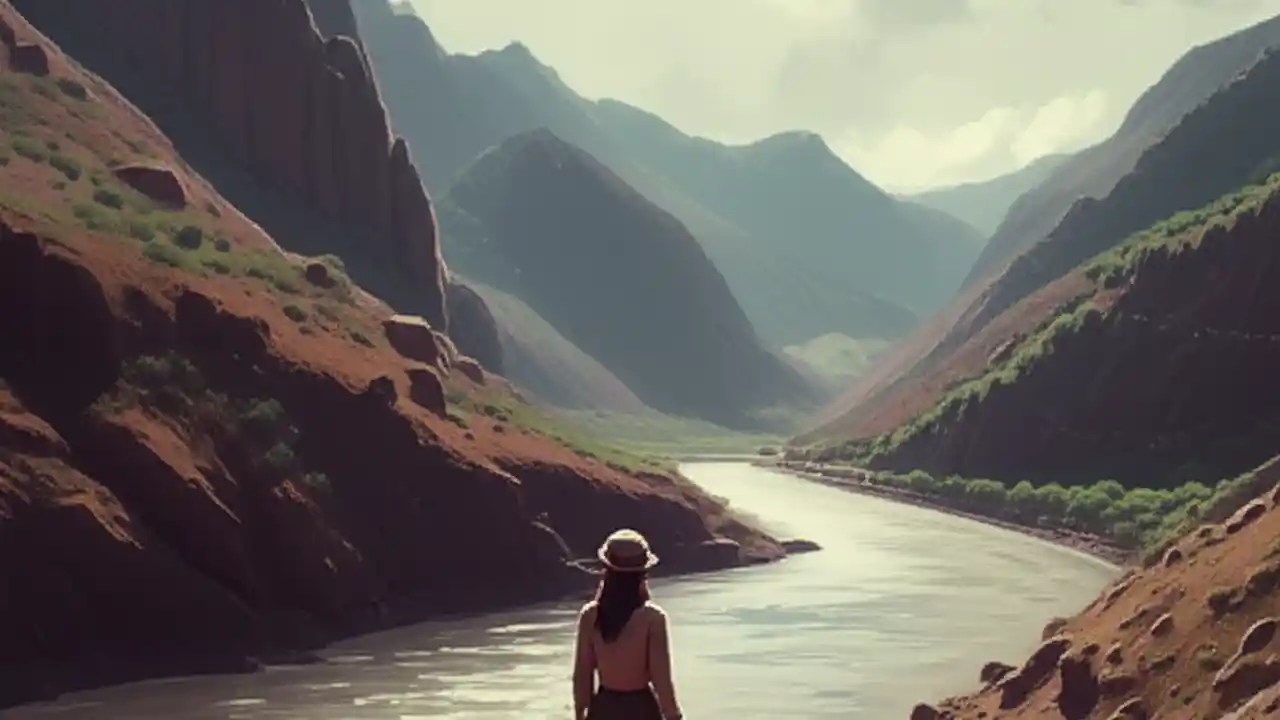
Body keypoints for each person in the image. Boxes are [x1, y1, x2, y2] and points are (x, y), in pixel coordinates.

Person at [572, 528, 684, 720]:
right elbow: (661, 680)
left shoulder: (590, 615)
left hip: (604, 709)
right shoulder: (653, 618)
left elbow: (582, 675)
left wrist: (580, 714)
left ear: (607, 571)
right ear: (643, 573)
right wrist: (674, 716)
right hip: (641, 710)